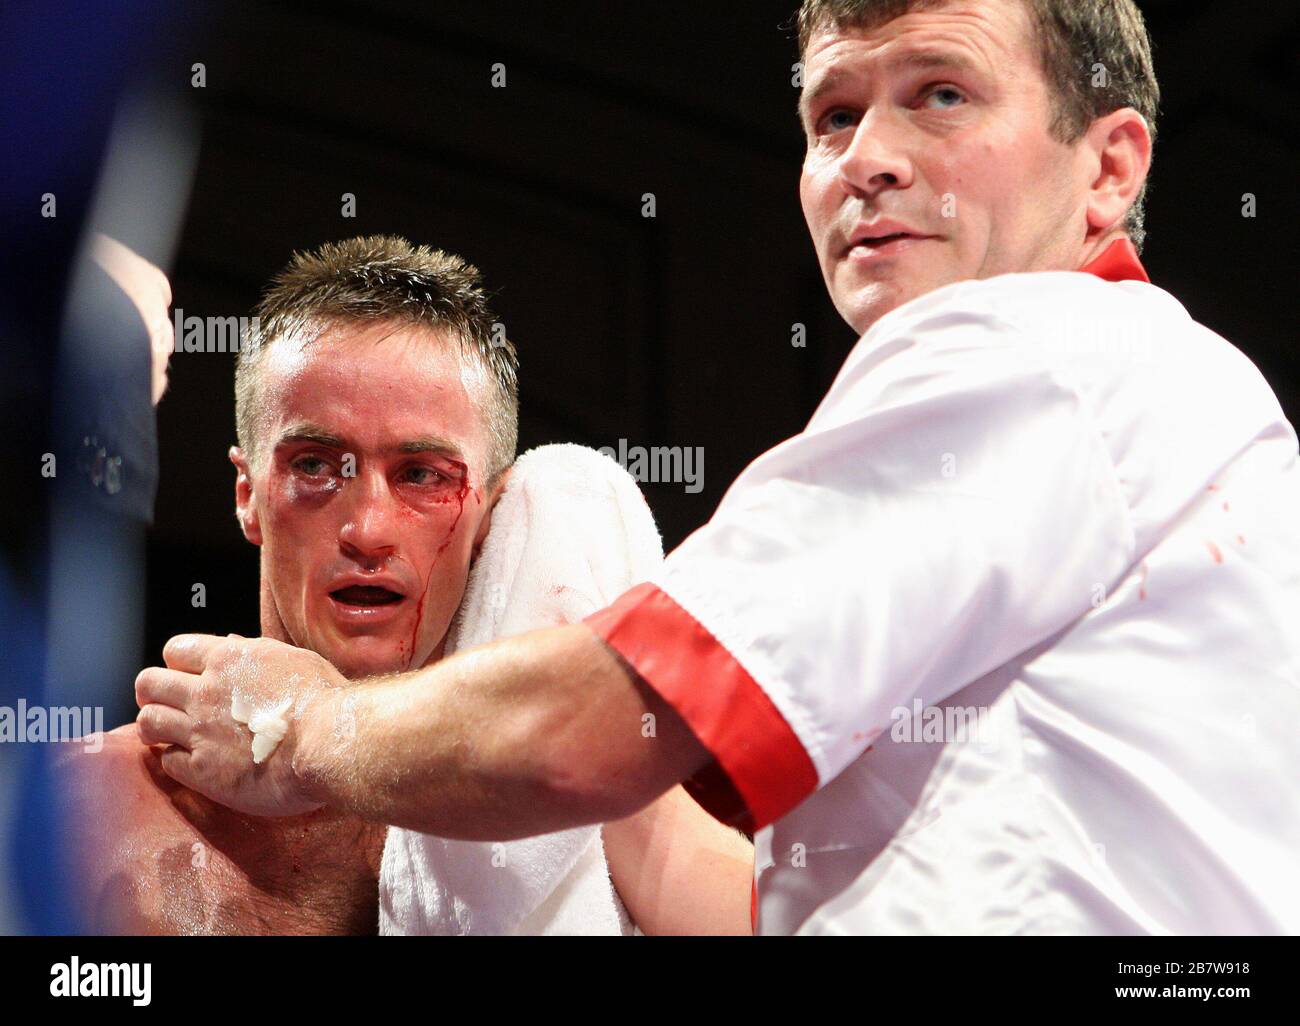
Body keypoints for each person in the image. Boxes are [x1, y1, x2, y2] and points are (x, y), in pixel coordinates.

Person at [137, 0, 1300, 934]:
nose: (869, 161)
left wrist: (301, 734)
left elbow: (589, 730)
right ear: (245, 485)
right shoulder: (1151, 404)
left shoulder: (1038, 353)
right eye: (833, 116)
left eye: (940, 95)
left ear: (1108, 168)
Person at [67, 236, 752, 934]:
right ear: (248, 493)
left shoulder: (594, 801)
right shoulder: (82, 813)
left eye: (422, 475)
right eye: (314, 465)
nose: (367, 529)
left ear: (489, 514)